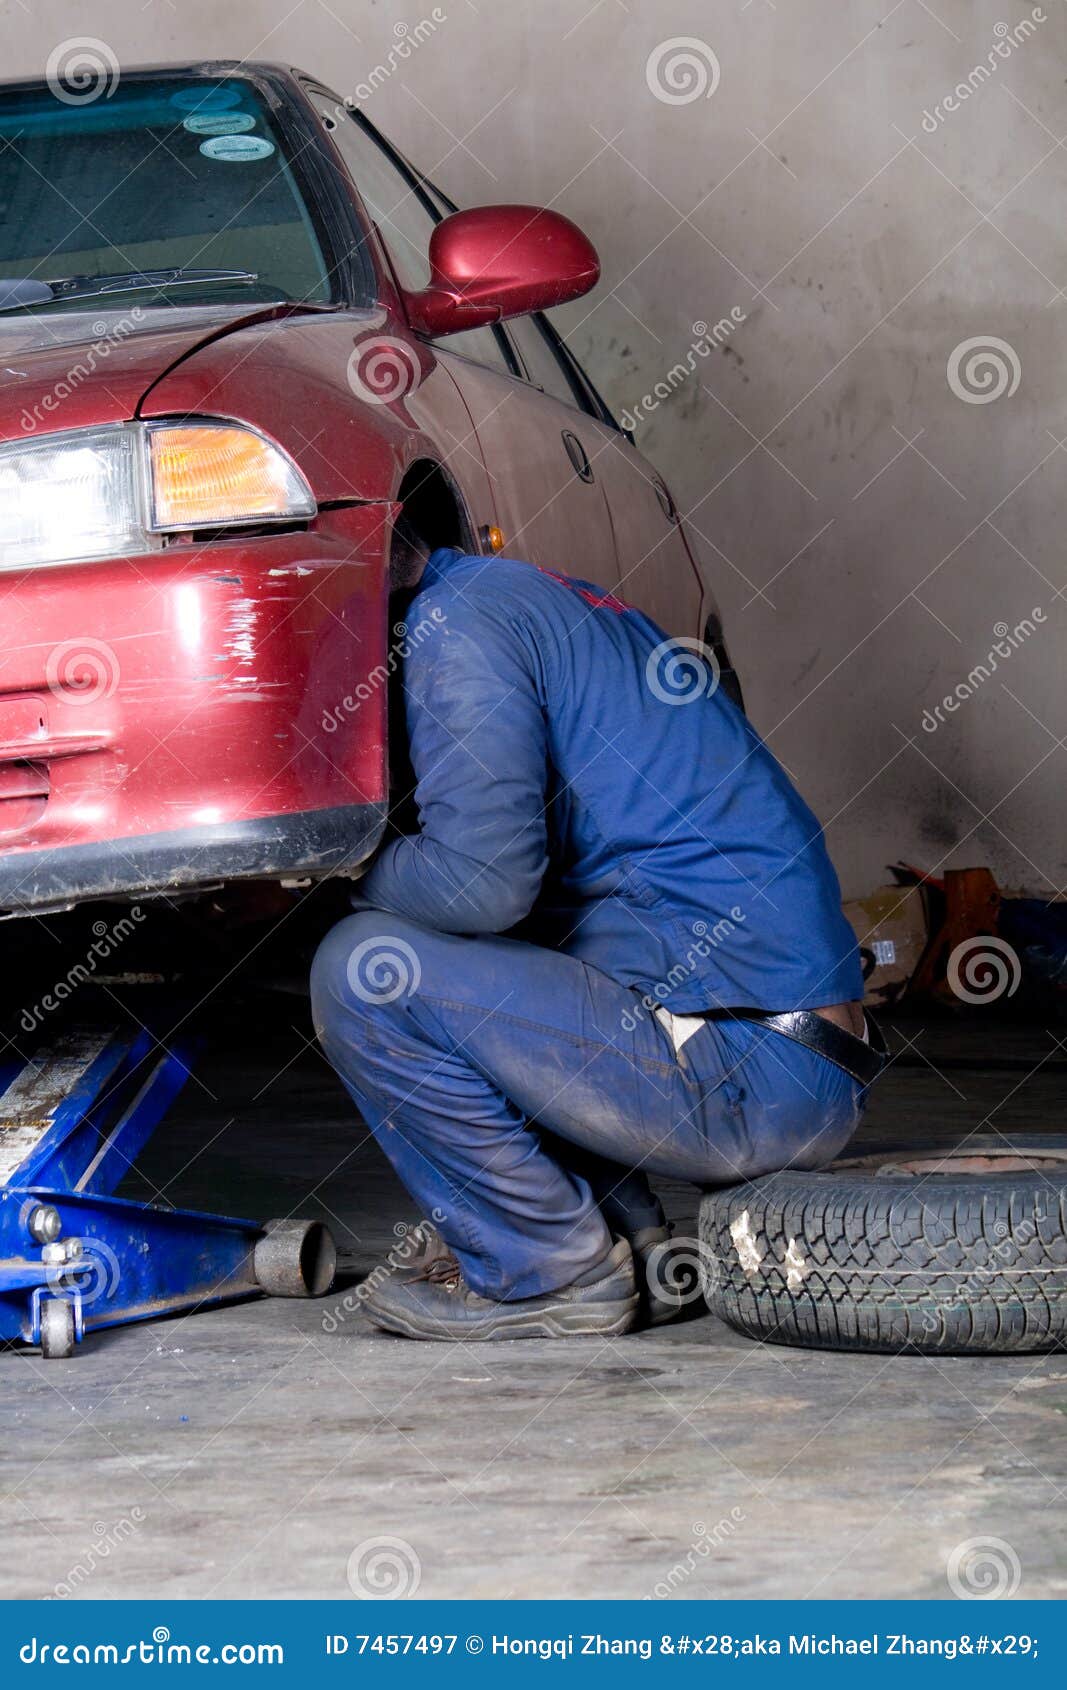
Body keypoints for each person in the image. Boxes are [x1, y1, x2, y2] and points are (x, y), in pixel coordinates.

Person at [310, 523, 882, 1341]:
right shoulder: (521, 598)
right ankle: (632, 1243)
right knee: (496, 951)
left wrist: (326, 878)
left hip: (750, 1071)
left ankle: (541, 1271)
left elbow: (481, 883)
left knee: (363, 967)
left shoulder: (453, 633)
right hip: (788, 1053)